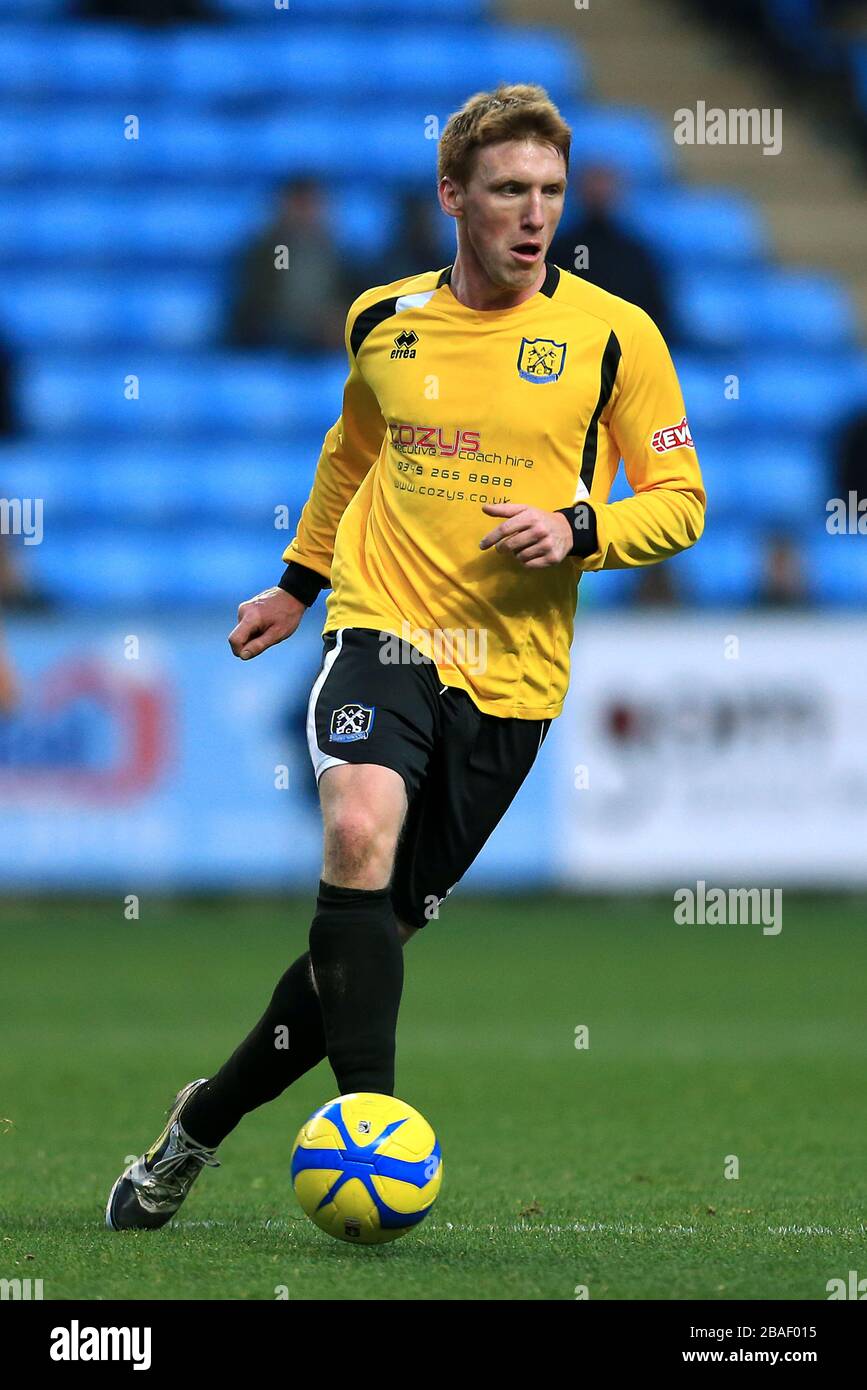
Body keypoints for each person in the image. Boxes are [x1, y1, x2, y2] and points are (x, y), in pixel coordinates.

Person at [106, 83, 705, 1231]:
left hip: (514, 679)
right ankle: (372, 1133)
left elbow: (681, 503)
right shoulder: (381, 318)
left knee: (366, 943)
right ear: (453, 198)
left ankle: (197, 1127)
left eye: (548, 192)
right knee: (355, 830)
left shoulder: (615, 335)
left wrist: (584, 530)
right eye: (507, 192)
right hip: (381, 625)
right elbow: (350, 451)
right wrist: (298, 582)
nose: (533, 216)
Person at [226, 177, 354, 354]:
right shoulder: (271, 252)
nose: (306, 214)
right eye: (299, 205)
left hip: (329, 343)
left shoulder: (340, 254)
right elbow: (259, 305)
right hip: (277, 340)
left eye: (311, 206)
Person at [549, 164, 673, 343]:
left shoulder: (637, 254)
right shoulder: (559, 250)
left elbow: (657, 315)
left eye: (605, 184)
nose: (599, 192)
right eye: (593, 184)